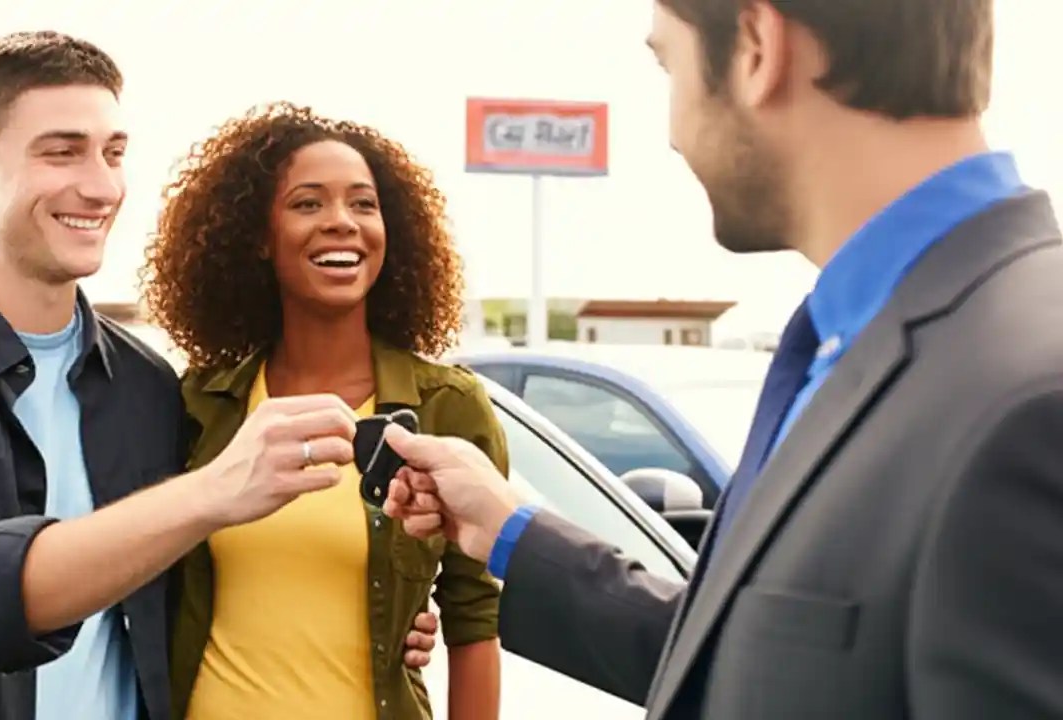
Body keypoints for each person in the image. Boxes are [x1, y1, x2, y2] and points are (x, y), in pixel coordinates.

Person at [383, 1, 1063, 719]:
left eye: (666, 63)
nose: (673, 134)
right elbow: (749, 666)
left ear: (756, 47)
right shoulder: (850, 341)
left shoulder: (1029, 403)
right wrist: (508, 529)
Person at [0, 33, 437, 720]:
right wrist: (215, 489)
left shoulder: (147, 383)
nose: (102, 186)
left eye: (112, 153)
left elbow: (195, 591)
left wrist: (382, 616)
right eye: (62, 151)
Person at [140, 101, 506, 720]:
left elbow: (475, 620)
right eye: (308, 203)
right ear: (257, 237)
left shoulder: (447, 407)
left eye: (363, 204)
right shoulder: (199, 406)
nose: (342, 222)